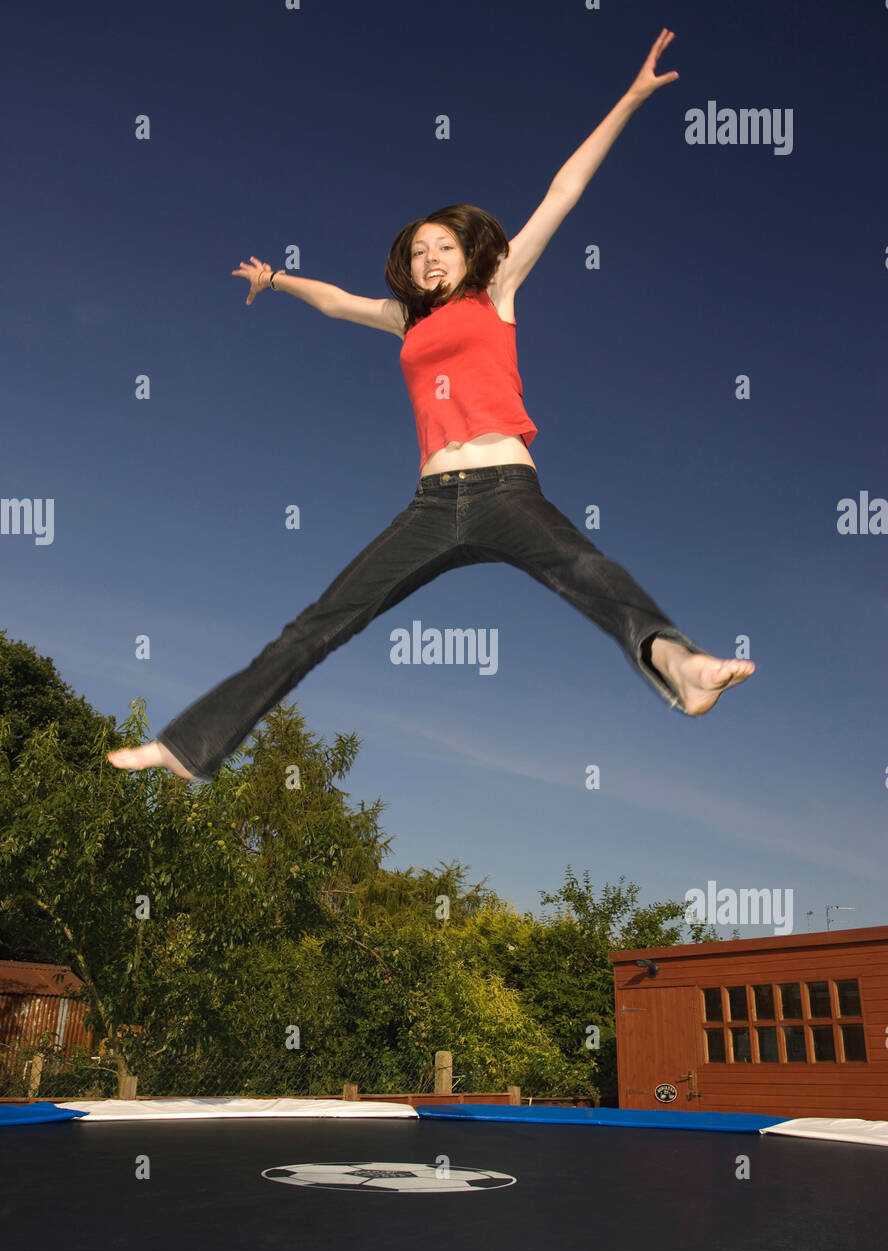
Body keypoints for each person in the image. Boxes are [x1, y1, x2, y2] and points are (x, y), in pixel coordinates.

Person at [109, 28, 753, 784]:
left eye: (442, 246)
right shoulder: (407, 319)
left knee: (587, 568)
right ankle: (187, 748)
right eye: (417, 252)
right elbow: (339, 303)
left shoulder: (498, 291)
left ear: (470, 251)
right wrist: (277, 280)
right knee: (320, 622)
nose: (429, 258)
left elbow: (563, 191)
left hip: (506, 489)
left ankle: (680, 665)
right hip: (429, 505)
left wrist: (633, 97)